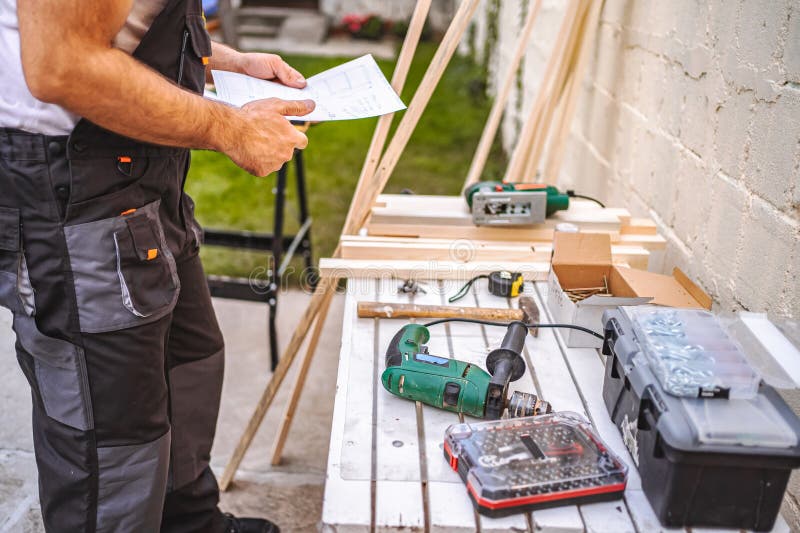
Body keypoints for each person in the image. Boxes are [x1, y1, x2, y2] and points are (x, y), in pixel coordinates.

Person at [0, 0, 314, 531]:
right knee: (111, 430)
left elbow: (130, 26)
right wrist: (233, 129)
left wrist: (228, 62)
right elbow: (63, 64)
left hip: (141, 171)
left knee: (187, 362)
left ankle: (187, 521)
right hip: (74, 184)